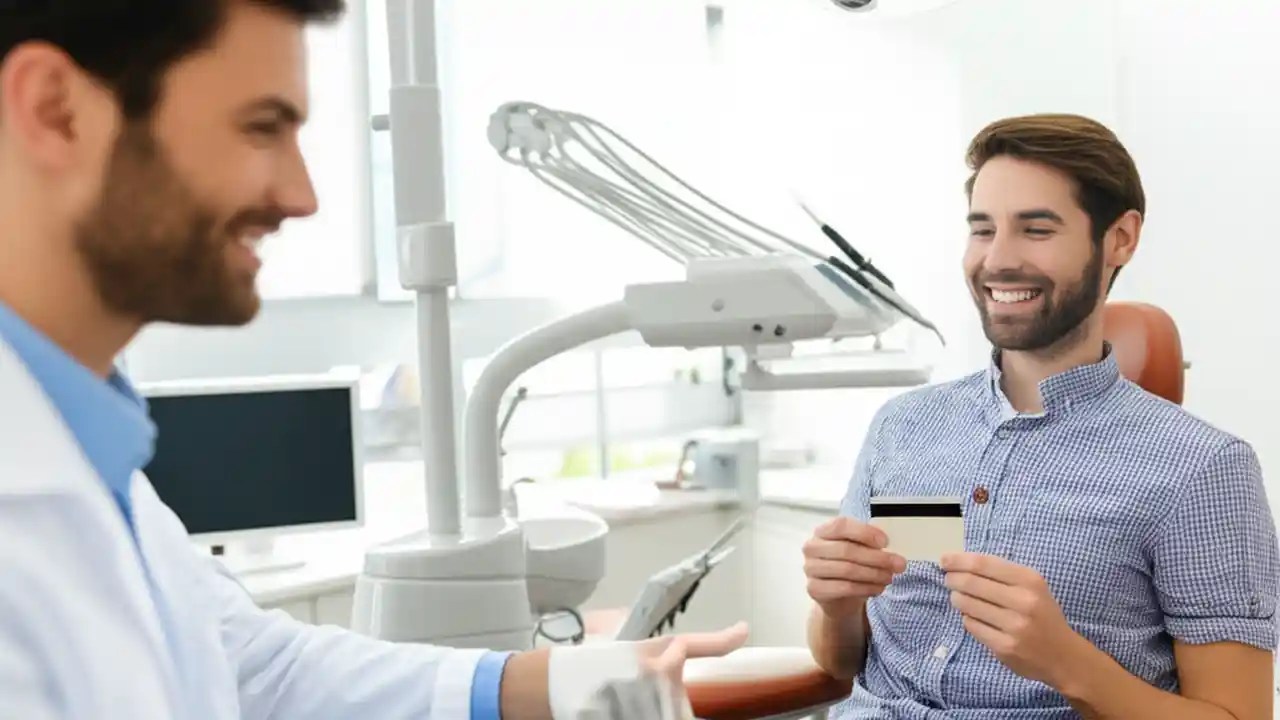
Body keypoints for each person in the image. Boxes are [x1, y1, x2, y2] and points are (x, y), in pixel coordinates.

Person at [0, 1, 745, 718]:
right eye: (261, 128)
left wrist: (568, 684)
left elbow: (256, 666)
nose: (303, 196)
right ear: (55, 110)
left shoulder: (88, 447)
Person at [802, 113, 1279, 718]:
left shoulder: (1201, 469)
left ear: (1120, 239)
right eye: (982, 230)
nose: (997, 260)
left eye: (1036, 229)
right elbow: (839, 662)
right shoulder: (905, 427)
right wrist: (836, 606)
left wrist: (1067, 662)